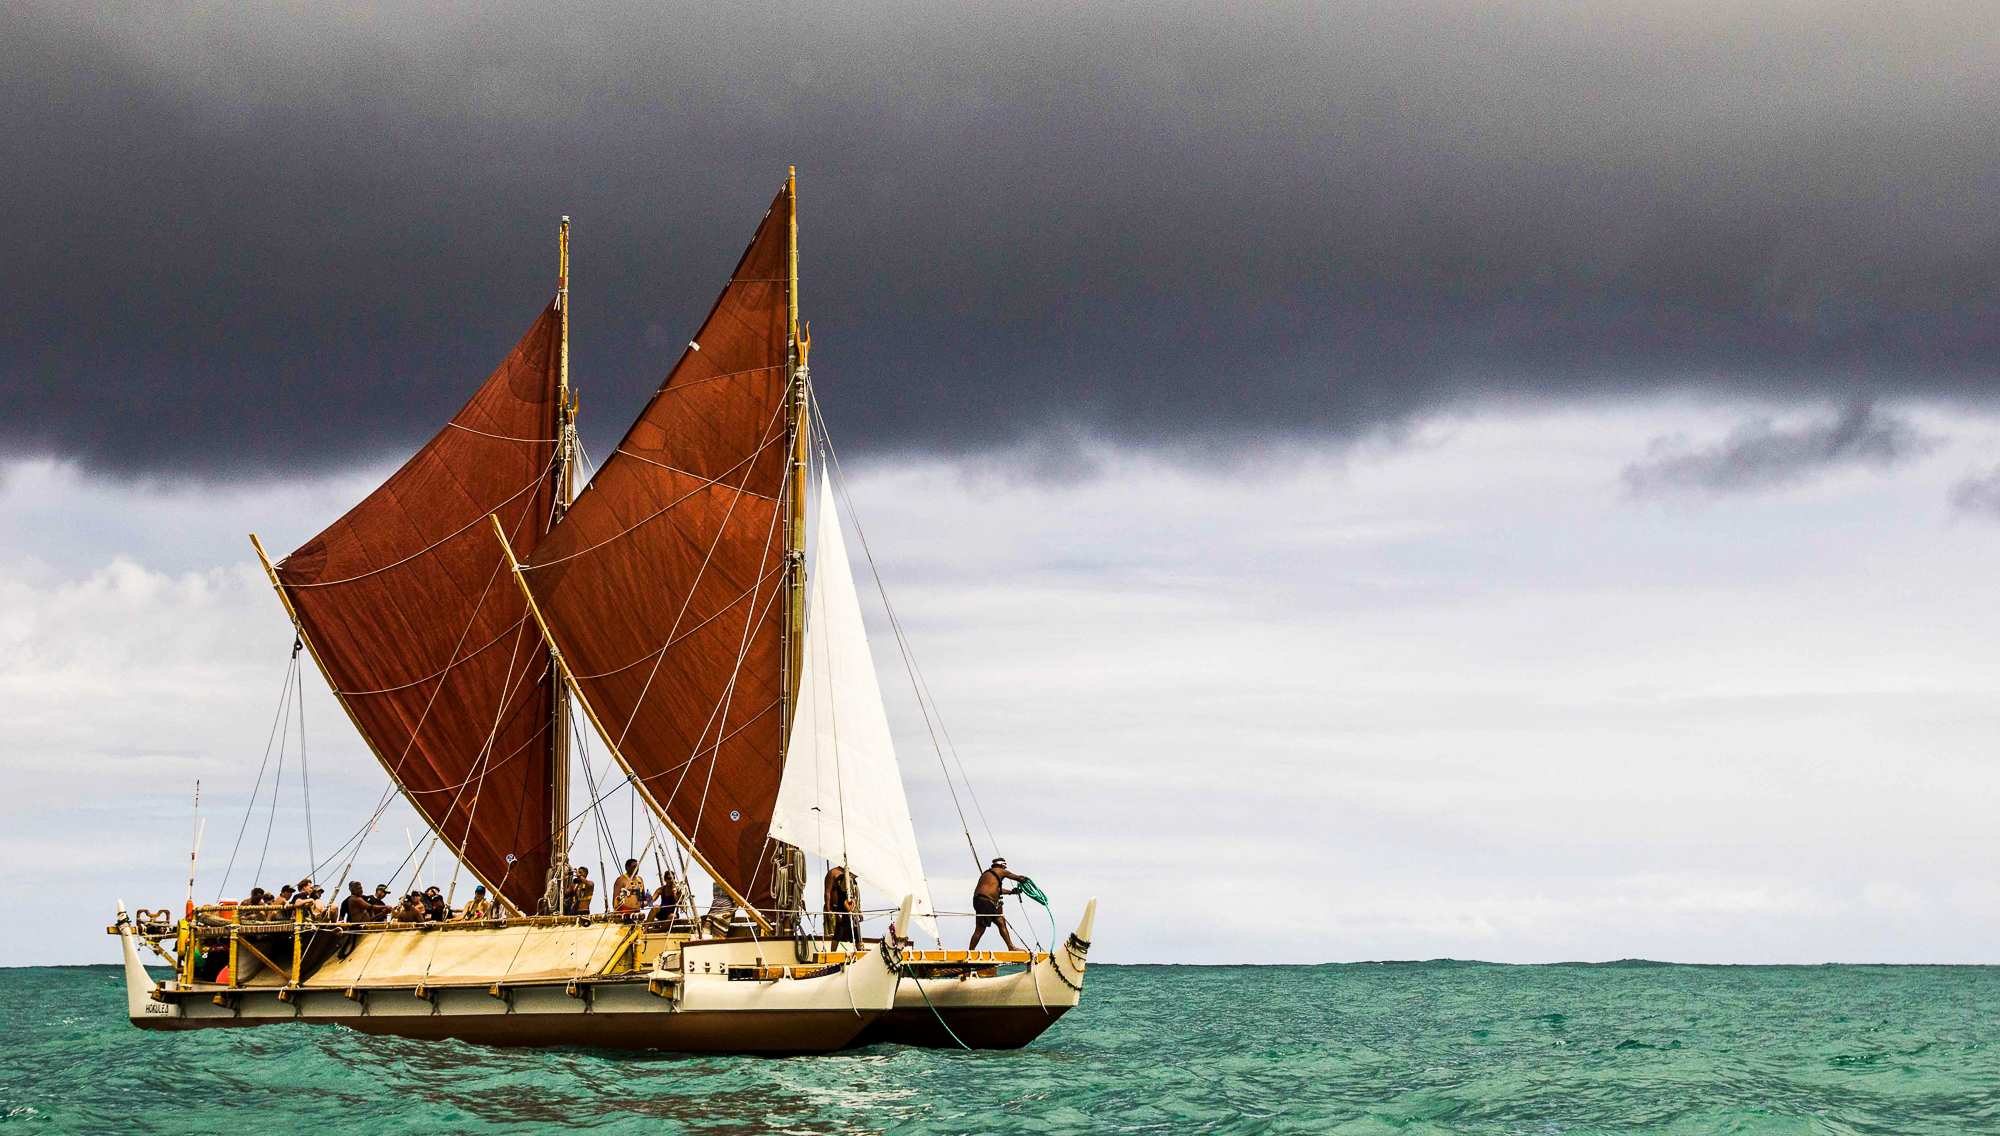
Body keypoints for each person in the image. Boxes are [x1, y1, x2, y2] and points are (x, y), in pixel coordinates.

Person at [968, 857, 1028, 951]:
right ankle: (971, 951)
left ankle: (971, 950)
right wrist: (1027, 880)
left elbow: (997, 890)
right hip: (986, 902)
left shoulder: (988, 874)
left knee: (994, 924)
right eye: (1004, 866)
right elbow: (1018, 878)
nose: (1005, 869)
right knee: (989, 926)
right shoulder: (1001, 871)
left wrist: (1011, 892)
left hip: (979, 901)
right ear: (1002, 865)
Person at [823, 864, 859, 946]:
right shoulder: (833, 873)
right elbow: (827, 892)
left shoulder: (851, 874)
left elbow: (855, 894)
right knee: (837, 932)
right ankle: (832, 953)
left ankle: (859, 949)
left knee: (856, 931)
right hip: (837, 909)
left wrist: (859, 910)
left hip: (851, 910)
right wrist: (828, 911)